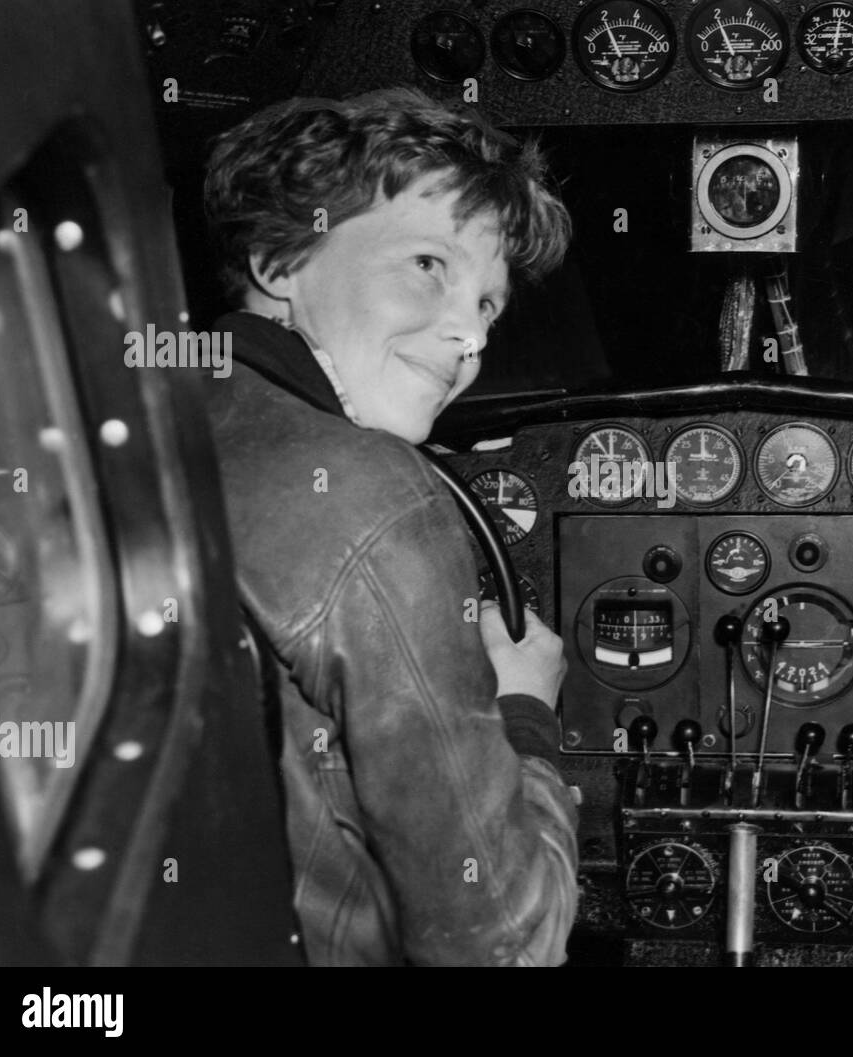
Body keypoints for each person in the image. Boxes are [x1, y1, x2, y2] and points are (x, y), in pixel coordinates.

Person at [200, 87, 578, 966]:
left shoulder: (108, 425)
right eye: (428, 265)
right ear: (279, 258)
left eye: (489, 305)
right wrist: (525, 711)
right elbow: (507, 945)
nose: (468, 338)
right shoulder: (371, 489)